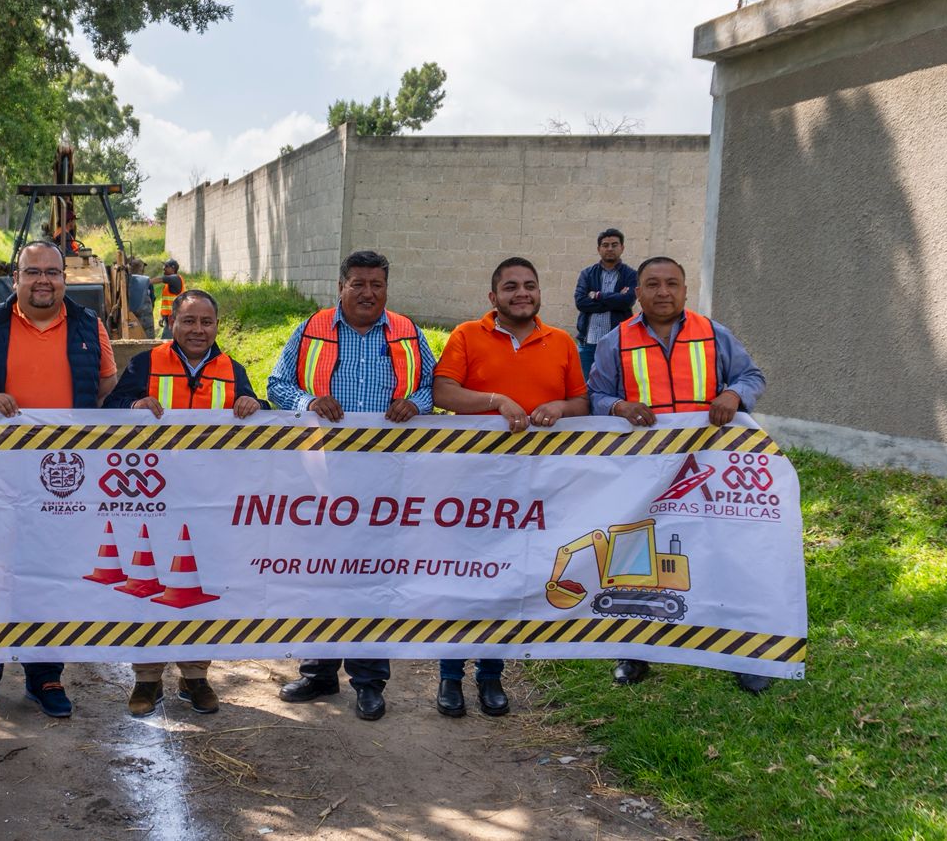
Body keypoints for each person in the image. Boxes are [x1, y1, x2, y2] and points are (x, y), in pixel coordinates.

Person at [0, 241, 118, 719]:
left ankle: (46, 676)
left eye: (53, 273)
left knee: (54, 571)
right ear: (15, 278)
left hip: (65, 475)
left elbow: (108, 386)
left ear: (66, 278)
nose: (43, 281)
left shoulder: (90, 325)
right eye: (32, 272)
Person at [586, 256, 771, 694]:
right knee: (637, 562)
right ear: (637, 292)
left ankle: (740, 653)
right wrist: (618, 407)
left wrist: (732, 393)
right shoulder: (616, 341)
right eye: (652, 284)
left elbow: (751, 375)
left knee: (723, 557)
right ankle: (635, 652)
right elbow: (595, 393)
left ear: (686, 291)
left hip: (707, 472)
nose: (663, 291)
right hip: (643, 475)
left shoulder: (712, 334)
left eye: (672, 284)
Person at [266, 249, 436, 722]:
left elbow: (433, 386)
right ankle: (319, 670)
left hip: (384, 476)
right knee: (320, 569)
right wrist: (307, 400)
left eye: (376, 285)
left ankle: (368, 680)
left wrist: (414, 404)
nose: (367, 293)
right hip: (319, 474)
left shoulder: (407, 333)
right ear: (340, 287)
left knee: (371, 573)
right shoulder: (311, 329)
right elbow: (276, 384)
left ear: (387, 288)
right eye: (358, 284)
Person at [431, 257, 589, 718]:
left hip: (536, 487)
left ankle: (492, 676)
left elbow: (582, 400)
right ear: (492, 297)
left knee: (509, 577)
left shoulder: (560, 342)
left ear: (539, 293)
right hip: (472, 483)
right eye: (511, 287)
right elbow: (443, 393)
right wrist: (496, 401)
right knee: (462, 579)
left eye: (530, 286)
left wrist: (560, 407)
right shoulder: (466, 335)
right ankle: (449, 675)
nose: (522, 293)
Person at [105, 288, 268, 717]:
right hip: (154, 499)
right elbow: (111, 407)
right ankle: (147, 679)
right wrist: (134, 404)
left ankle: (195, 675)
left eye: (206, 322)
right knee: (149, 583)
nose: (198, 330)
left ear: (216, 326)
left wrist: (255, 403)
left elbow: (261, 414)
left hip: (211, 500)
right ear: (172, 324)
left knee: (202, 585)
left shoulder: (233, 370)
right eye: (189, 321)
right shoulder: (145, 363)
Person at [573, 229, 638, 380]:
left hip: (617, 342)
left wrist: (598, 296)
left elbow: (628, 300)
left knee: (614, 384)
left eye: (614, 245)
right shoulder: (587, 274)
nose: (610, 248)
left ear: (622, 248)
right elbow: (581, 302)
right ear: (599, 249)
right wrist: (616, 300)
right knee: (586, 386)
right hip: (588, 343)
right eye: (605, 245)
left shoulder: (631, 275)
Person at [156, 260, 185, 338]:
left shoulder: (175, 278)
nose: (163, 268)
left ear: (173, 268)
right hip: (169, 317)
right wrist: (162, 317)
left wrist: (145, 281)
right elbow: (167, 303)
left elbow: (160, 279)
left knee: (166, 342)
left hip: (174, 317)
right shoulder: (169, 284)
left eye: (166, 266)